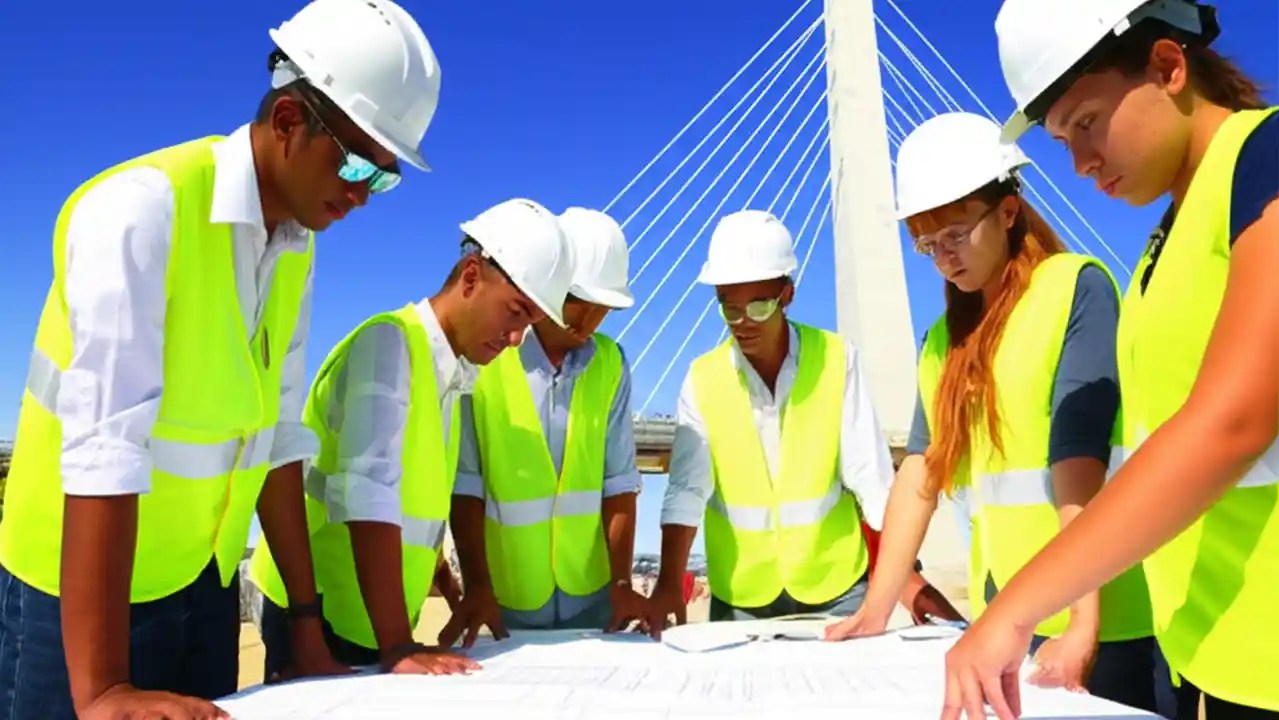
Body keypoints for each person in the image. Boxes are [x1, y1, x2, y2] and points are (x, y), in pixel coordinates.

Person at [0, 1, 442, 718]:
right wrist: (105, 686)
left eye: (386, 177)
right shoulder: (144, 211)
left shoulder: (297, 247)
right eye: (359, 162)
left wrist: (304, 622)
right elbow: (104, 448)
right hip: (75, 605)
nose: (364, 193)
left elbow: (275, 444)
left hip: (200, 589)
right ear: (290, 121)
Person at [941, 2, 1279, 718]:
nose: (1081, 162)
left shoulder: (1267, 159)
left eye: (1086, 122)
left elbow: (1235, 420)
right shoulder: (1161, 247)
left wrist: (1017, 611)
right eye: (1062, 140)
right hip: (1209, 660)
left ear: (1167, 66)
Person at [826, 112, 1166, 713]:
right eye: (927, 245)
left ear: (1008, 212)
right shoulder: (942, 342)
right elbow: (920, 476)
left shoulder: (1074, 288)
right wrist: (875, 608)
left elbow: (1078, 458)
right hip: (1007, 620)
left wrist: (1083, 623)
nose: (943, 259)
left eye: (955, 235)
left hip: (1110, 622)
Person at [250, 198, 573, 677]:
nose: (515, 340)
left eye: (528, 325)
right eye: (515, 313)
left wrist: (438, 572)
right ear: (470, 277)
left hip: (369, 622)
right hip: (321, 619)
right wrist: (398, 646)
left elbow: (407, 496)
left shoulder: (450, 376)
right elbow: (368, 496)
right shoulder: (390, 346)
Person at [648, 210, 959, 629]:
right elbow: (686, 490)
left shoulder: (836, 358)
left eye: (758, 306)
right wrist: (670, 584)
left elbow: (871, 480)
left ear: (787, 295)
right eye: (729, 308)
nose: (743, 323)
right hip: (739, 594)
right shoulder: (703, 378)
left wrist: (905, 577)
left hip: (837, 588)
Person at [442, 207, 651, 645]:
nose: (588, 322)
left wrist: (620, 585)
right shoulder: (486, 357)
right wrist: (477, 586)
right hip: (506, 600)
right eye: (577, 301)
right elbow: (466, 487)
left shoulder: (612, 365)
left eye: (605, 309)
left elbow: (619, 485)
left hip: (593, 599)